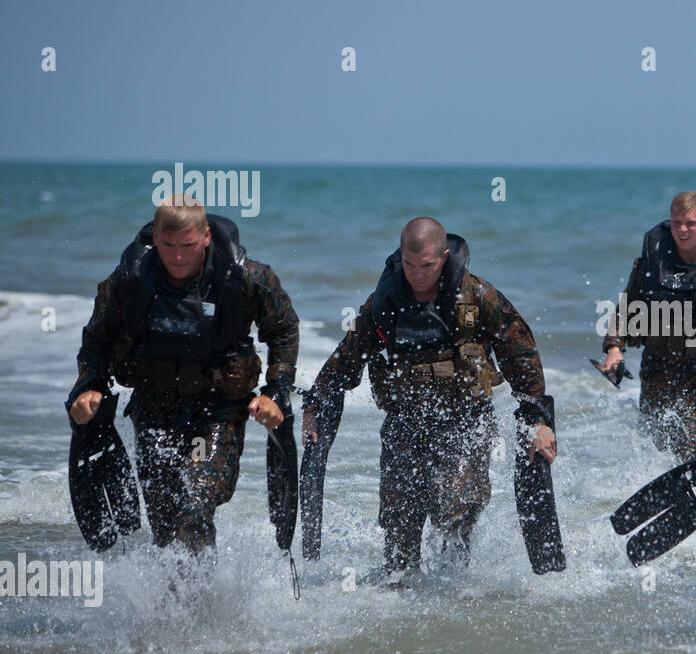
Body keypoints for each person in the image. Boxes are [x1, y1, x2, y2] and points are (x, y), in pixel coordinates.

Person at [302, 217, 556, 578]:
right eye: (409, 264)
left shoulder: (478, 296)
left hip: (466, 422)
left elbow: (521, 353)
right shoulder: (385, 302)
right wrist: (314, 407)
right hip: (405, 424)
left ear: (444, 256)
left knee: (457, 507)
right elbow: (348, 355)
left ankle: (454, 596)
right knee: (399, 520)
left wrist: (538, 421)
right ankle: (399, 597)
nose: (417, 275)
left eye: (427, 266)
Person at [67, 195, 299, 556]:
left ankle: (202, 607)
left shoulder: (246, 278)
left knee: (194, 504)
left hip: (215, 414)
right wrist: (89, 387)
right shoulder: (128, 281)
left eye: (188, 246)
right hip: (154, 412)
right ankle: (173, 608)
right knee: (164, 526)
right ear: (155, 238)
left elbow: (283, 329)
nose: (177, 257)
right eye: (169, 245)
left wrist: (275, 389)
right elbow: (96, 339)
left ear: (205, 237)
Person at [599, 191, 696, 461]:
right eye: (676, 223)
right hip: (658, 368)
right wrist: (614, 348)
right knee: (657, 449)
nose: (682, 230)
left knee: (691, 446)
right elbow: (626, 308)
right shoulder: (650, 262)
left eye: (690, 223)